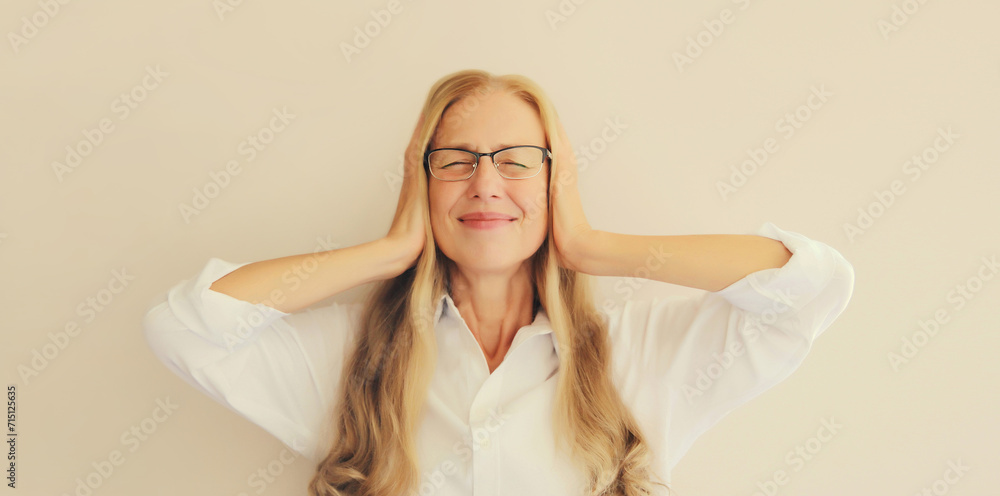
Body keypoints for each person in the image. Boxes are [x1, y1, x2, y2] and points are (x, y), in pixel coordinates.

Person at [142, 69, 855, 496]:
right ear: (419, 182)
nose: (485, 183)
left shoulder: (638, 358)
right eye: (455, 160)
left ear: (557, 183)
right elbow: (185, 326)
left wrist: (591, 245)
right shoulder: (351, 358)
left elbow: (811, 287)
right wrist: (391, 249)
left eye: (516, 161)